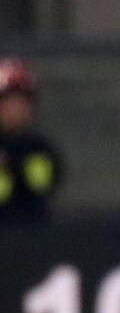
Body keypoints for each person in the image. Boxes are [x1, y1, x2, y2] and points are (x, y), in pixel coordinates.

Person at [0, 58, 62, 226]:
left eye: (21, 102)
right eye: (7, 102)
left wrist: (11, 165)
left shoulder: (39, 149)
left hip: (31, 234)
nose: (15, 109)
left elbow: (40, 187)